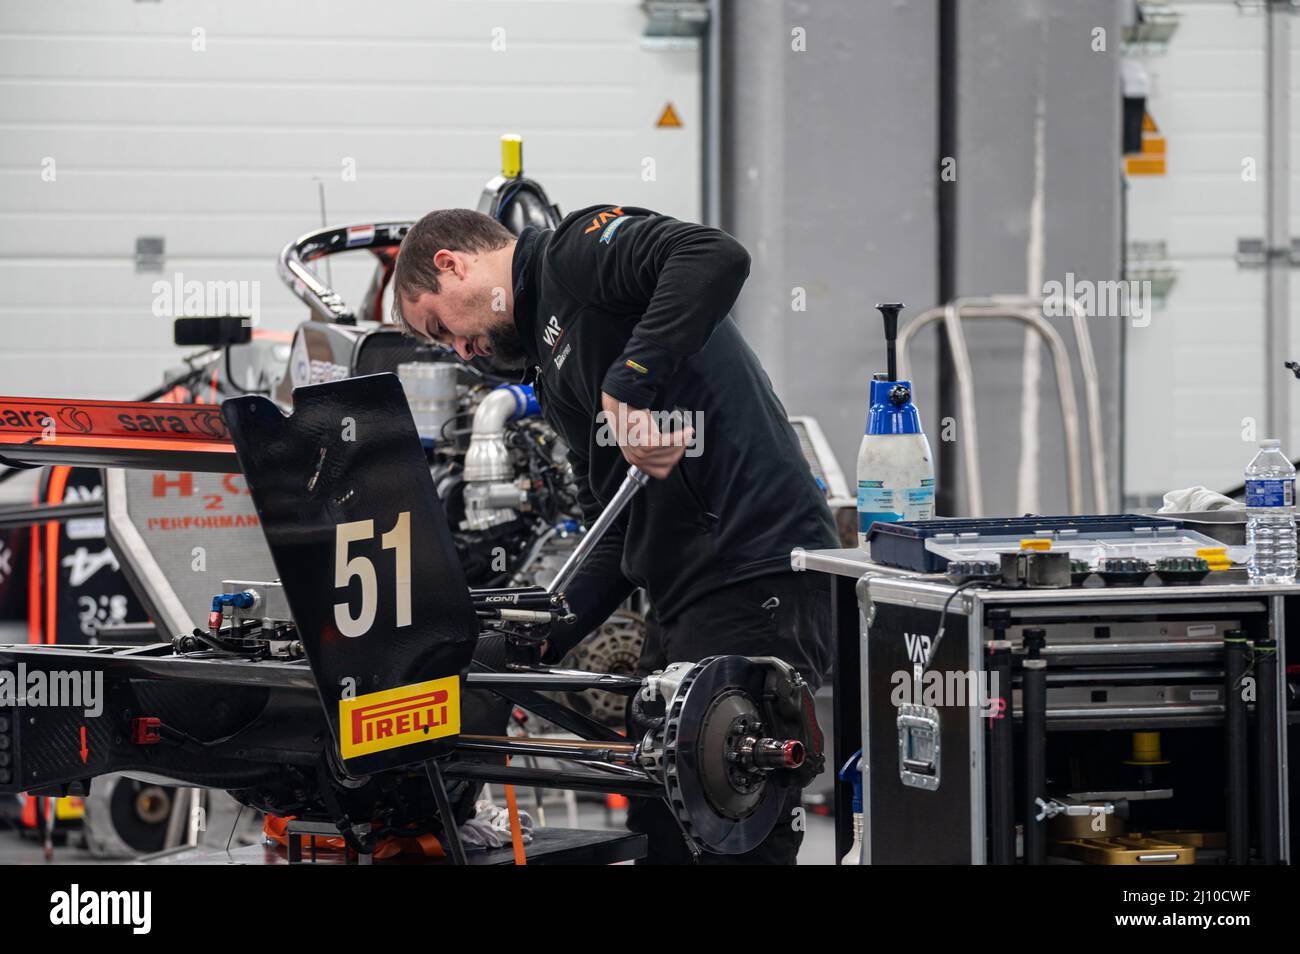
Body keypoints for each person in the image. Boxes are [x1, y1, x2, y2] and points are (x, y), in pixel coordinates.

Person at [392, 204, 838, 863]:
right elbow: (616, 527)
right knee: (667, 819)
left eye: (442, 326)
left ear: (453, 265)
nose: (461, 350)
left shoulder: (572, 256)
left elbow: (713, 255)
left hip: (753, 572)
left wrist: (629, 384)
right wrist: (530, 639)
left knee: (729, 825)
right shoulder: (550, 365)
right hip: (686, 597)